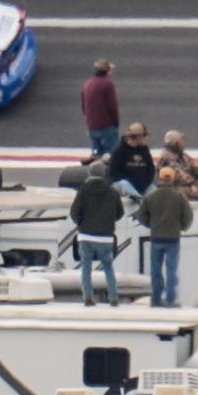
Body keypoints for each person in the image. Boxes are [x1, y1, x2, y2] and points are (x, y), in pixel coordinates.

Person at [135, 168, 195, 308]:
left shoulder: (151, 196)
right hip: (173, 238)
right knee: (171, 271)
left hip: (156, 237)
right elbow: (188, 216)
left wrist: (151, 225)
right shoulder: (180, 197)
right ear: (173, 179)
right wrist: (182, 227)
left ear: (160, 178)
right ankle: (170, 300)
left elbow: (141, 216)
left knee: (156, 271)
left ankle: (156, 299)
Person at [70, 162, 122, 306]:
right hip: (106, 237)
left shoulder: (83, 190)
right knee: (108, 268)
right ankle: (113, 298)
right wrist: (108, 222)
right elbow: (120, 213)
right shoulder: (112, 192)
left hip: (86, 236)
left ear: (90, 174)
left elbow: (74, 212)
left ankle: (88, 297)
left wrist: (81, 224)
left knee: (86, 268)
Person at [157, 131, 198, 200]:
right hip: (175, 187)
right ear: (176, 144)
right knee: (188, 191)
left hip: (188, 184)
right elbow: (179, 174)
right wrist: (191, 185)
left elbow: (195, 167)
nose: (183, 143)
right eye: (181, 141)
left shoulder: (183, 155)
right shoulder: (166, 157)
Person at [81, 59, 120, 162]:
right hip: (106, 125)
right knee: (112, 154)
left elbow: (84, 105)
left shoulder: (88, 83)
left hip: (92, 125)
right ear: (108, 71)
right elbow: (112, 106)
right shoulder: (108, 84)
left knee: (96, 153)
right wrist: (115, 123)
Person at [108, 122, 156, 199]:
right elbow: (114, 173)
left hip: (143, 185)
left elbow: (151, 169)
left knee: (153, 189)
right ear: (139, 137)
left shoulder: (144, 151)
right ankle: (138, 199)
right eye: (144, 136)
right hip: (124, 185)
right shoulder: (120, 151)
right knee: (124, 184)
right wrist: (132, 183)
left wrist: (144, 184)